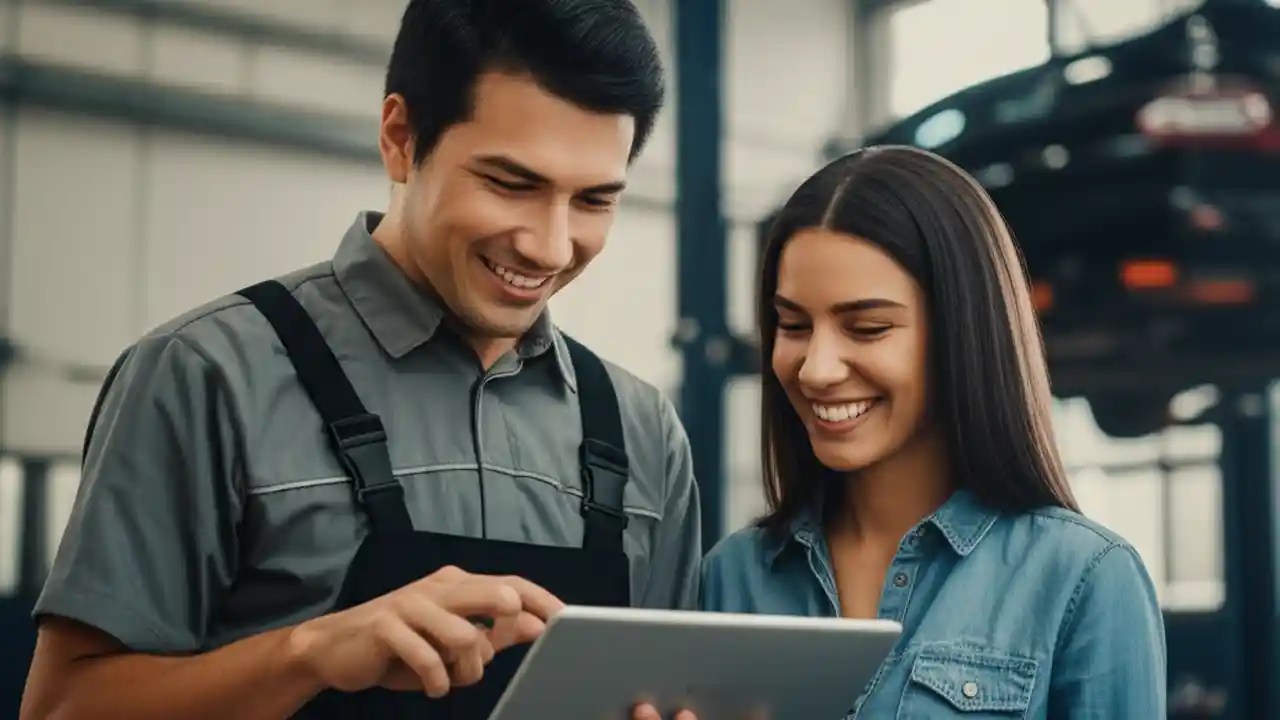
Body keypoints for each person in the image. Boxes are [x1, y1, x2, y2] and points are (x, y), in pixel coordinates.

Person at [19, 1, 703, 718]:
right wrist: (309, 653)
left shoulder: (643, 431)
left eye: (593, 200)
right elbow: (62, 709)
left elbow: (669, 690)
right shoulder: (204, 376)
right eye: (510, 184)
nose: (551, 247)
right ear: (400, 138)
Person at [699, 146, 1167, 717]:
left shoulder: (1084, 578)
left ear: (962, 333)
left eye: (867, 328)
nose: (816, 369)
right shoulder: (731, 576)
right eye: (793, 325)